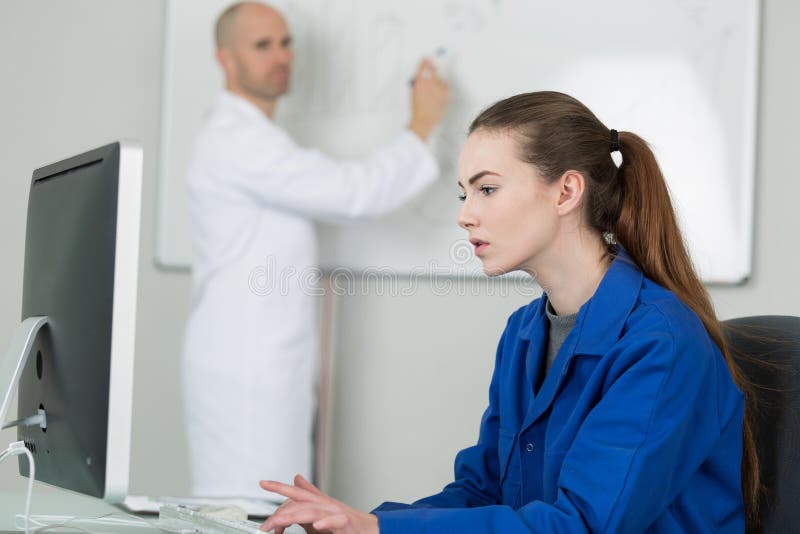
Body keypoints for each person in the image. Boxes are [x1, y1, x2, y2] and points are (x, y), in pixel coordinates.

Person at [258, 91, 761, 532]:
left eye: (487, 189)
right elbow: (482, 491)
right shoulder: (524, 333)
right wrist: (357, 524)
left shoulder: (661, 344)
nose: (465, 215)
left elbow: (582, 526)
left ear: (566, 192)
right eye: (465, 194)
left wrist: (378, 531)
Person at [181, 1, 449, 502]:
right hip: (246, 373)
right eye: (262, 45)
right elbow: (353, 193)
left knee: (272, 508)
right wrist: (421, 125)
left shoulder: (257, 138)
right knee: (248, 513)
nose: (281, 56)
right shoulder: (237, 142)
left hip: (264, 364)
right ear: (225, 59)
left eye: (286, 43)